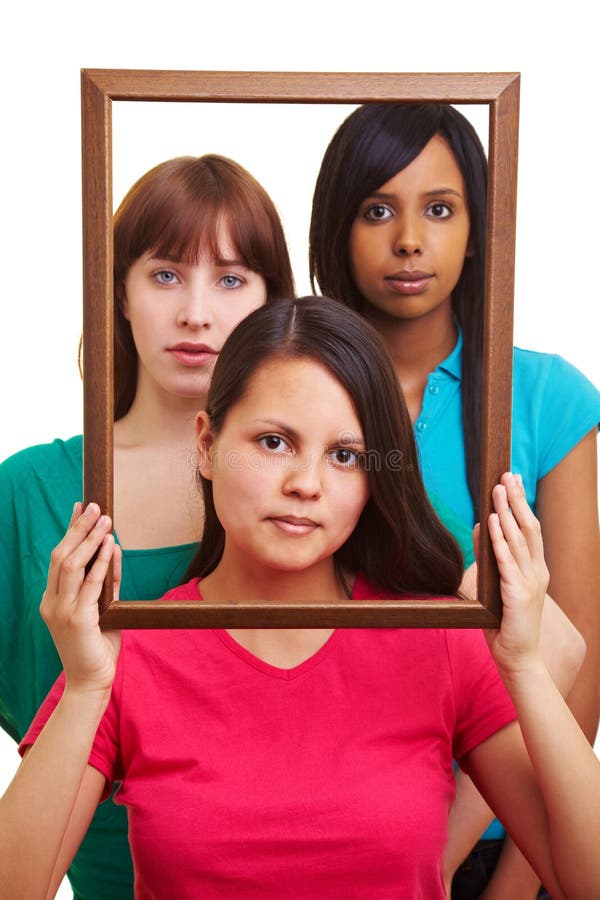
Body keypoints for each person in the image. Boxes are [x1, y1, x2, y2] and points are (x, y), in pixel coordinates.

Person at [1, 297, 600, 900]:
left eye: (344, 456)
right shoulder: (127, 653)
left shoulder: (437, 637)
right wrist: (84, 689)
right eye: (273, 442)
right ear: (207, 444)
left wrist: (522, 665)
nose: (306, 485)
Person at [309, 102, 600, 898]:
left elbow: (576, 664)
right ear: (337, 225)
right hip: (341, 824)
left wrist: (512, 882)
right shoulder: (296, 394)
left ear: (479, 226)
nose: (410, 239)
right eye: (378, 210)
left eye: (439, 209)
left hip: (511, 837)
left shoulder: (548, 396)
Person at [0, 153, 294, 900]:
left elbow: (532, 647)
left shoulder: (316, 485)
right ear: (119, 294)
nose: (196, 312)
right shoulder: (29, 488)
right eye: (166, 274)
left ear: (272, 303)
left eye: (230, 279)